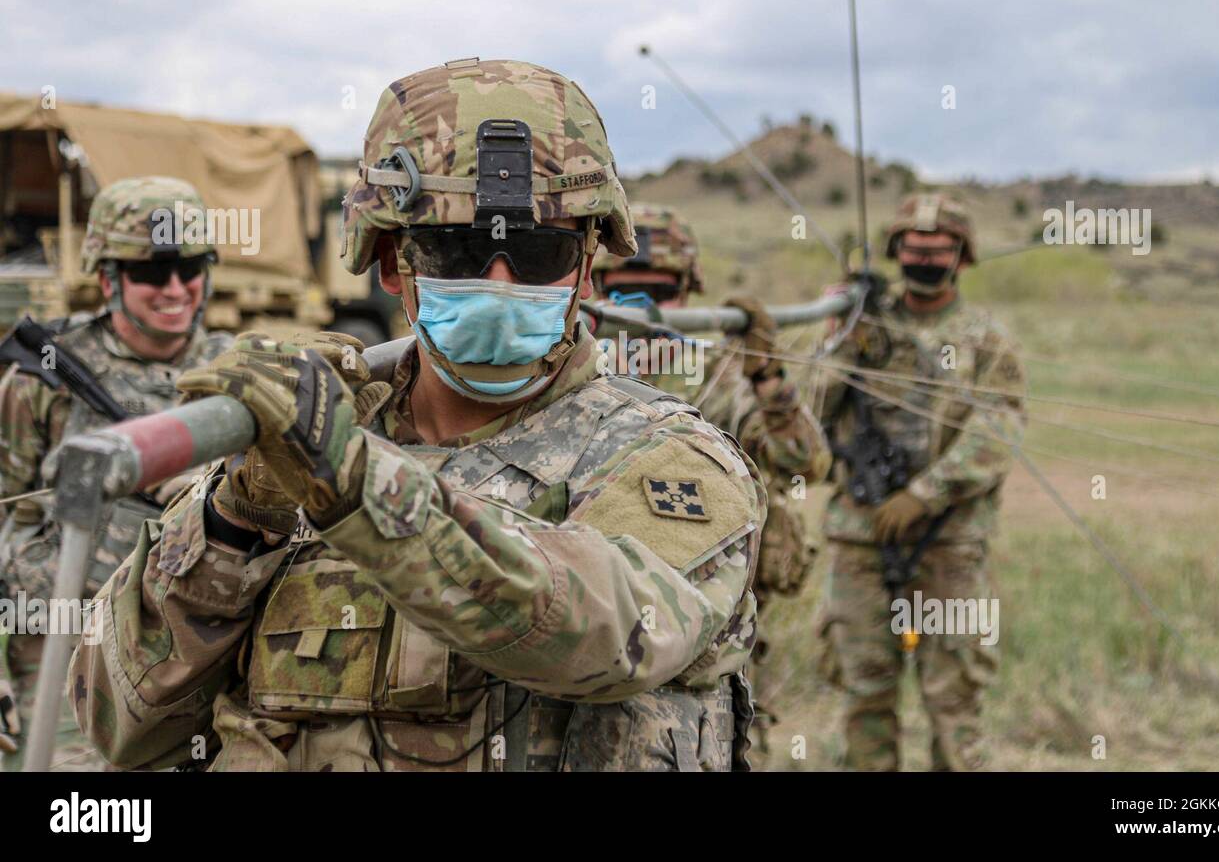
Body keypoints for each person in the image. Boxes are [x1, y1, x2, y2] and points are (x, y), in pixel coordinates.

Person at [68, 58, 766, 772]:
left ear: (586, 267)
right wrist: (235, 521)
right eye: (457, 246)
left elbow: (607, 633)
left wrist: (357, 486)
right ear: (391, 263)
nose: (497, 281)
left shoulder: (673, 460)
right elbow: (116, 724)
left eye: (536, 249)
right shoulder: (293, 454)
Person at [0, 176, 231, 771]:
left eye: (190, 267)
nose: (175, 289)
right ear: (108, 278)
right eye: (151, 273)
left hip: (201, 655)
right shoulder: (44, 378)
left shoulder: (236, 373)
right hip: (66, 650)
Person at [590, 204, 831, 752]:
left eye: (660, 289)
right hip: (595, 638)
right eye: (623, 287)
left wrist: (768, 375)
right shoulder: (571, 375)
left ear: (688, 293)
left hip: (713, 650)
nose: (644, 305)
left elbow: (807, 462)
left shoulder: (720, 380)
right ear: (594, 288)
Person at [817, 193, 1026, 771]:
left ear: (962, 257)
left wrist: (925, 494)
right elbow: (812, 418)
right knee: (866, 693)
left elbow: (998, 433)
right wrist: (838, 336)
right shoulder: (865, 330)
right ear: (895, 252)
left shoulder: (986, 340)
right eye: (914, 249)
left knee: (954, 699)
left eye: (939, 250)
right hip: (861, 541)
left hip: (948, 545)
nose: (925, 260)